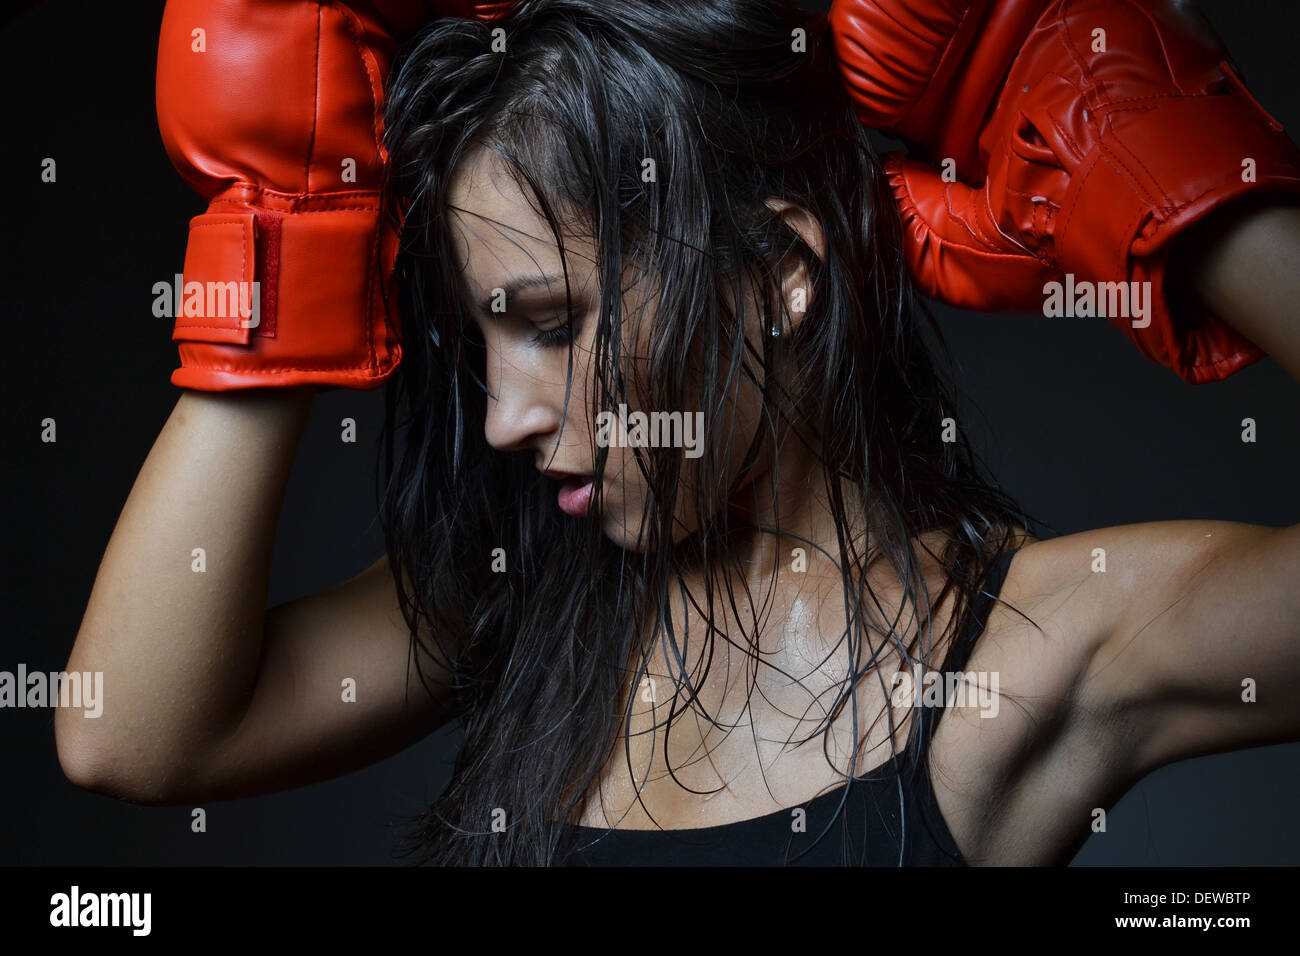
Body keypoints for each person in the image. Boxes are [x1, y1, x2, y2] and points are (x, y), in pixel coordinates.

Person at [59, 0, 1300, 867]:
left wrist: (1152, 170)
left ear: (776, 276)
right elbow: (130, 729)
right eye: (485, 337)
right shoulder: (520, 597)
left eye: (549, 322)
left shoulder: (1028, 652)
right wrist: (283, 241)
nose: (503, 416)